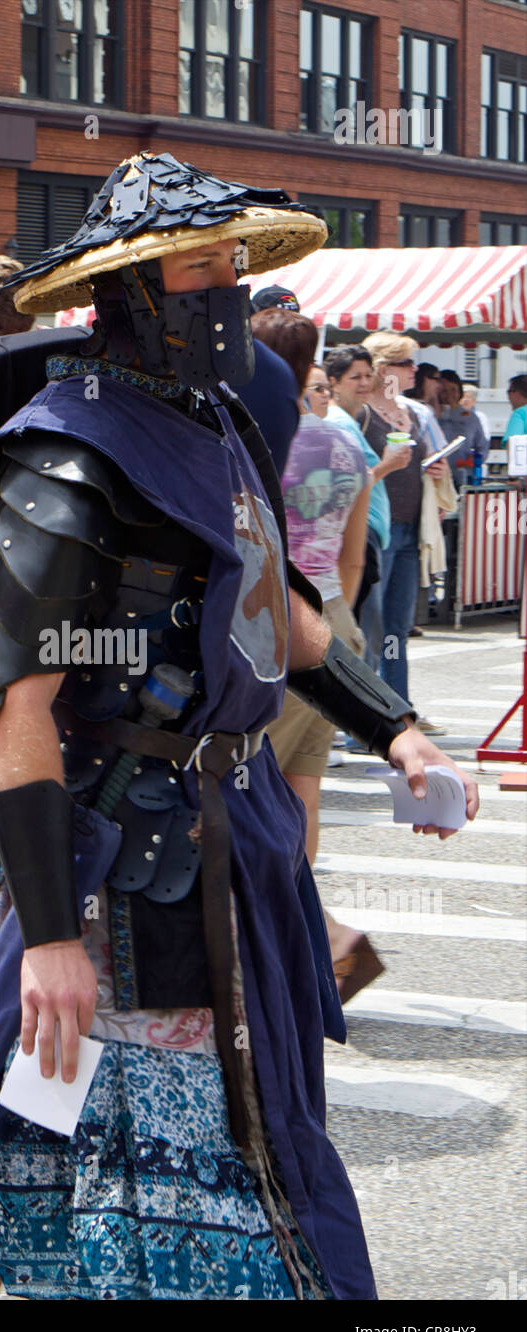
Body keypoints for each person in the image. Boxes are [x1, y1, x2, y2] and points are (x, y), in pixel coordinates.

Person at [0, 152, 477, 1302]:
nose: (228, 287)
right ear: (134, 289)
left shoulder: (224, 423)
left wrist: (403, 733)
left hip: (240, 845)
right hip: (116, 873)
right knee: (85, 1156)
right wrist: (46, 936)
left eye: (235, 262)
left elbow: (280, 618)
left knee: (238, 1135)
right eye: (202, 266)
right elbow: (17, 702)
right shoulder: (67, 455)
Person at [254, 322, 379, 1002]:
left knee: (247, 788)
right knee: (303, 787)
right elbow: (353, 554)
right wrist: (339, 620)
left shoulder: (257, 439)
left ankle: (308, 939)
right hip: (333, 618)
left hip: (274, 625)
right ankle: (309, 938)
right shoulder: (344, 443)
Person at [350, 335, 449, 728]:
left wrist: (436, 472)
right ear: (383, 368)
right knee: (369, 627)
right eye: (407, 363)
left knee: (397, 627)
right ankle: (364, 713)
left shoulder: (416, 413)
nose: (415, 370)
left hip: (409, 529)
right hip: (375, 531)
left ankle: (398, 708)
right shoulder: (361, 414)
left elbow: (432, 459)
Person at [324, 347, 408, 668]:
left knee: (387, 631)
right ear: (335, 382)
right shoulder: (339, 424)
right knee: (369, 633)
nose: (364, 383)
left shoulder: (353, 419)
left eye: (367, 376)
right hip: (364, 538)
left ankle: (395, 700)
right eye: (354, 377)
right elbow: (349, 485)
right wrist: (388, 465)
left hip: (382, 535)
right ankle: (376, 707)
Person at [438, 369, 489, 485]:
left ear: (460, 391)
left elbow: (482, 446)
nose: (449, 395)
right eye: (444, 391)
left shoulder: (471, 418)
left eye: (453, 389)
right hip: (437, 476)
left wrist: (474, 461)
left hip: (464, 476)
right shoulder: (431, 415)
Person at [502, 374, 527, 444]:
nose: (508, 396)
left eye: (509, 391)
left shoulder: (520, 413)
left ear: (518, 393)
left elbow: (512, 443)